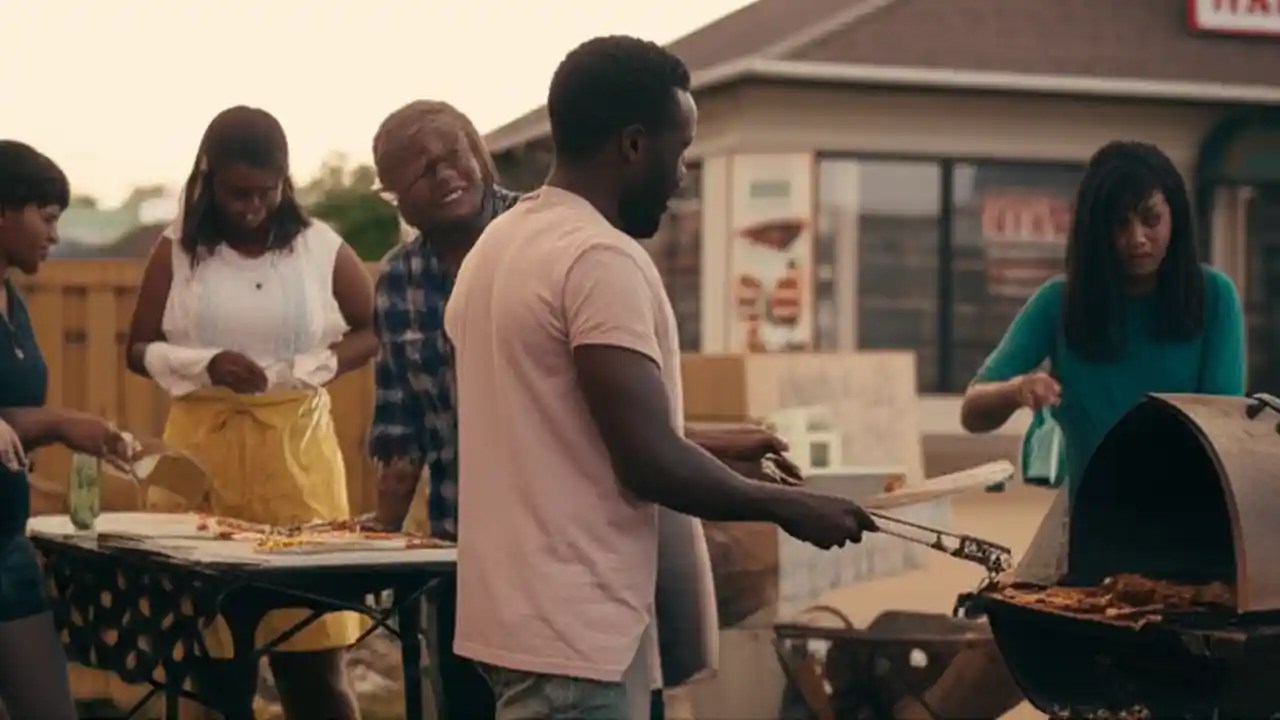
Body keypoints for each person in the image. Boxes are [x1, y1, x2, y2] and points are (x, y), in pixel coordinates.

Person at [444, 35, 877, 719]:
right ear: (635, 145)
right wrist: (790, 507)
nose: (683, 176)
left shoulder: (497, 247)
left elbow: (560, 428)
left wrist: (701, 439)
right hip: (575, 635)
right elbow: (645, 461)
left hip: (514, 623)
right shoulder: (598, 259)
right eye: (680, 152)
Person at [365, 99, 803, 719]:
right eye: (420, 170)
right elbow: (404, 433)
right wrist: (373, 543)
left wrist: (701, 445)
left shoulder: (553, 240)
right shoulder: (403, 281)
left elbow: (599, 420)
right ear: (395, 197)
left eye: (452, 154)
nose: (443, 176)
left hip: (574, 568)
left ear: (479, 151)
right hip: (467, 556)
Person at [125, 107, 378, 720]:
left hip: (297, 461)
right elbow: (136, 350)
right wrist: (206, 365)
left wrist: (311, 369)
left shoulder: (319, 246)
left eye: (268, 192)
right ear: (207, 178)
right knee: (214, 664)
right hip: (200, 459)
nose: (253, 206)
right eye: (239, 192)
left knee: (312, 658)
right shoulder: (177, 250)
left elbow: (373, 329)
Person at [960, 140, 1245, 497]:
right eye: (1119, 224)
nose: (1137, 238)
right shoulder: (1059, 302)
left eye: (1151, 219)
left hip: (1190, 519)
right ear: (1096, 231)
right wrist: (1018, 390)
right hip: (1092, 523)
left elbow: (1225, 427)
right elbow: (972, 411)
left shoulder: (1215, 297)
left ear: (1176, 216)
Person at [0, 140, 138, 720]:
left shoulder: (12, 299)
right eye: (47, 218)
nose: (55, 235)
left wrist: (76, 431)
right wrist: (59, 422)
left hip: (7, 544)